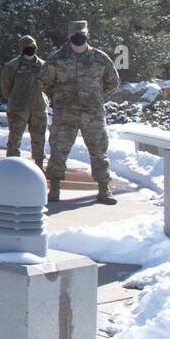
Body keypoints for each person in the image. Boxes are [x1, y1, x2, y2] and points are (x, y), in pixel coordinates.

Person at [40, 19, 120, 205]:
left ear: (88, 35)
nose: (79, 37)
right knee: (58, 150)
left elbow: (113, 81)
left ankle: (103, 188)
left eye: (82, 34)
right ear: (69, 36)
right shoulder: (57, 59)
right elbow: (44, 82)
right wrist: (58, 99)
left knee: (99, 151)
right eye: (75, 34)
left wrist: (98, 98)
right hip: (65, 114)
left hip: (93, 114)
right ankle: (55, 187)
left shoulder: (100, 58)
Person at [0, 34, 47, 170]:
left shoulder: (44, 66)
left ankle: (39, 165)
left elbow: (50, 85)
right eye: (27, 47)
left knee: (39, 138)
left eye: (32, 46)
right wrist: (16, 99)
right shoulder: (12, 66)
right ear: (21, 49)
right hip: (18, 109)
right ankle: (12, 165)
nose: (30, 49)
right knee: (15, 138)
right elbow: (5, 87)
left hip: (38, 108)